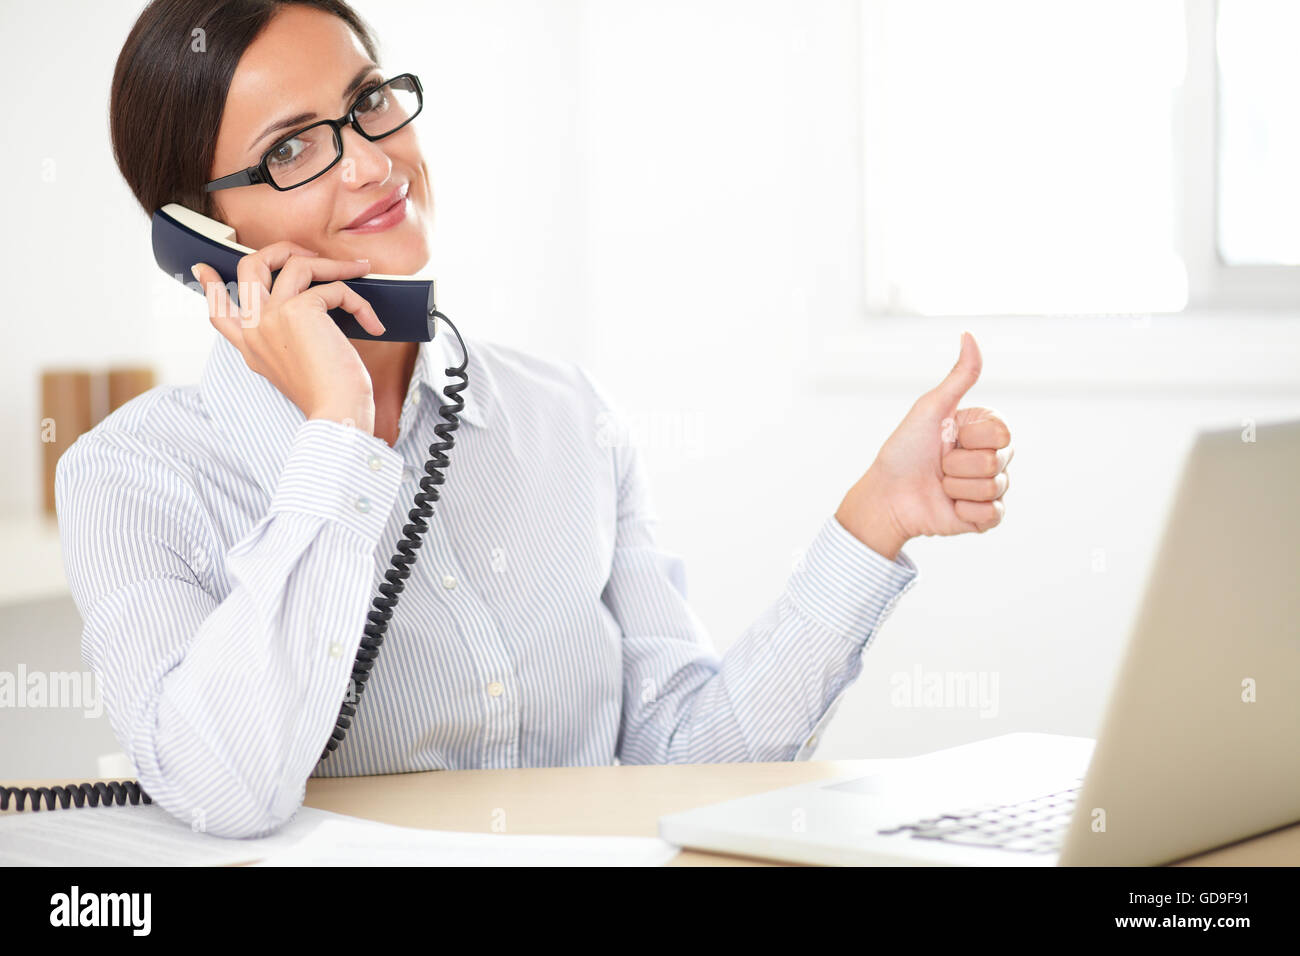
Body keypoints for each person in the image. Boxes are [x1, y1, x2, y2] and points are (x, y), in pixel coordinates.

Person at [60, 0, 1013, 838]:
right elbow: (228, 786)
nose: (369, 160)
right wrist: (339, 433)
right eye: (293, 148)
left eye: (369, 102)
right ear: (202, 243)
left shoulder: (565, 415)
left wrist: (874, 521)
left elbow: (688, 761)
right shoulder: (133, 477)